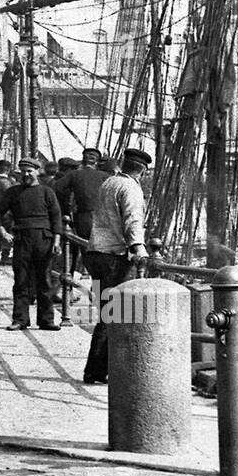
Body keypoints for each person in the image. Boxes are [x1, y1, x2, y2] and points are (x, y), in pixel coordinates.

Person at [82, 147, 153, 385]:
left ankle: (95, 370)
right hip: (114, 256)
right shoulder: (131, 188)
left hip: (95, 253)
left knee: (106, 312)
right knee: (114, 314)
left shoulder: (109, 183)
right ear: (142, 170)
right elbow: (133, 220)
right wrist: (139, 249)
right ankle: (99, 371)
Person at [0, 157, 63, 330]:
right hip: (22, 239)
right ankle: (20, 319)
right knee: (21, 280)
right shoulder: (13, 192)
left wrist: (57, 241)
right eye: (23, 171)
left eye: (30, 171)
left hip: (44, 239)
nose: (26, 174)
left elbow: (56, 217)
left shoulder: (47, 192)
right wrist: (2, 231)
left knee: (45, 280)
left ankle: (46, 320)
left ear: (37, 171)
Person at [53, 147, 111, 242]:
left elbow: (56, 188)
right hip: (103, 218)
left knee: (82, 245)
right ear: (96, 162)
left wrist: (66, 206)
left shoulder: (74, 174)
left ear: (83, 160)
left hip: (82, 217)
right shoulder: (105, 177)